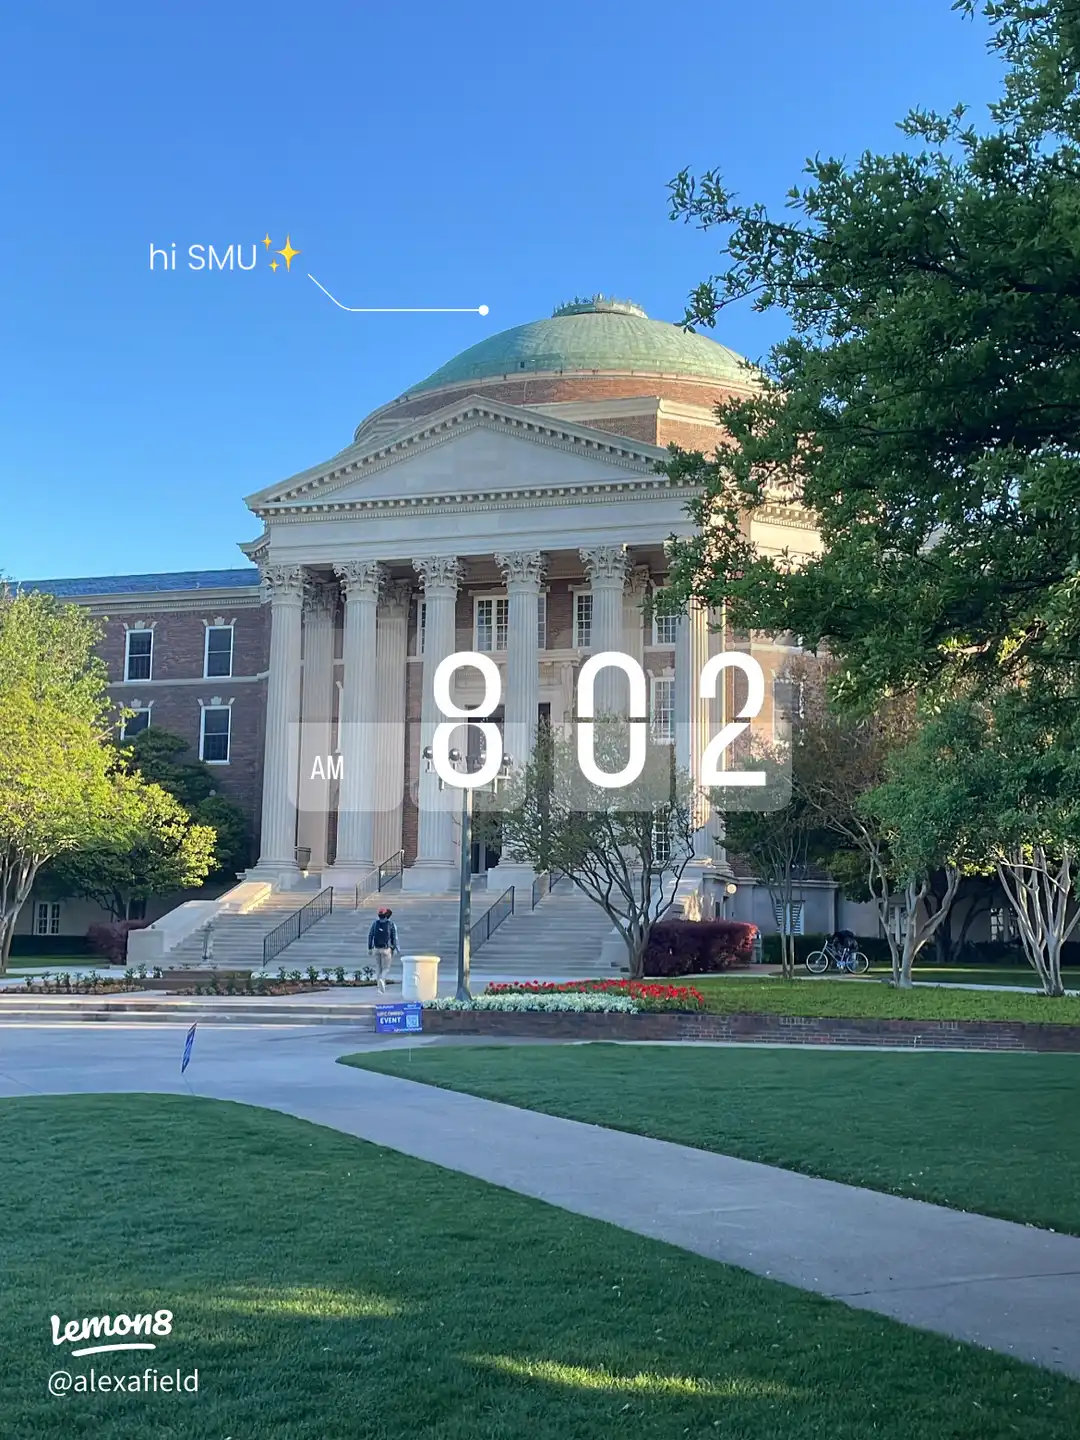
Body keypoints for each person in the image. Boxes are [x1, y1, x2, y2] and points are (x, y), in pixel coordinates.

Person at [367, 907, 399, 992]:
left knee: (378, 967)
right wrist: (394, 947)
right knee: (386, 968)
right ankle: (382, 979)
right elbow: (394, 937)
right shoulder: (391, 924)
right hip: (386, 949)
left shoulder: (375, 924)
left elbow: (370, 935)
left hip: (376, 948)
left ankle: (379, 987)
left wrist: (370, 947)